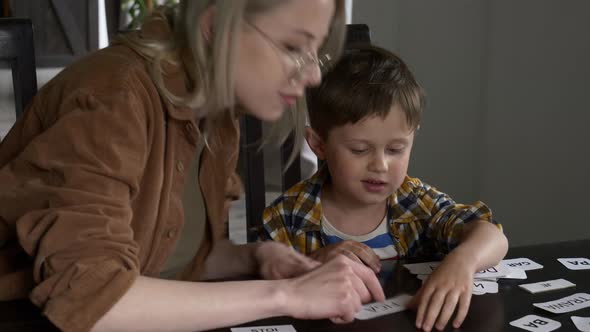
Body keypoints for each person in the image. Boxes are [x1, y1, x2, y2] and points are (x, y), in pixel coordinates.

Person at [0, 1, 386, 331]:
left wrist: (255, 258)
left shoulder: (214, 112)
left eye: (315, 52)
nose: (314, 73)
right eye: (292, 46)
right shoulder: (114, 95)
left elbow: (168, 254)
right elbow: (90, 297)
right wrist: (285, 295)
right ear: (216, 27)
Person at [258, 45, 509, 332]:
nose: (380, 165)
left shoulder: (417, 203)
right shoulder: (286, 216)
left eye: (395, 149)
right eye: (360, 149)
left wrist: (462, 262)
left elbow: (492, 235)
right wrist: (311, 265)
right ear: (318, 144)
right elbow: (261, 293)